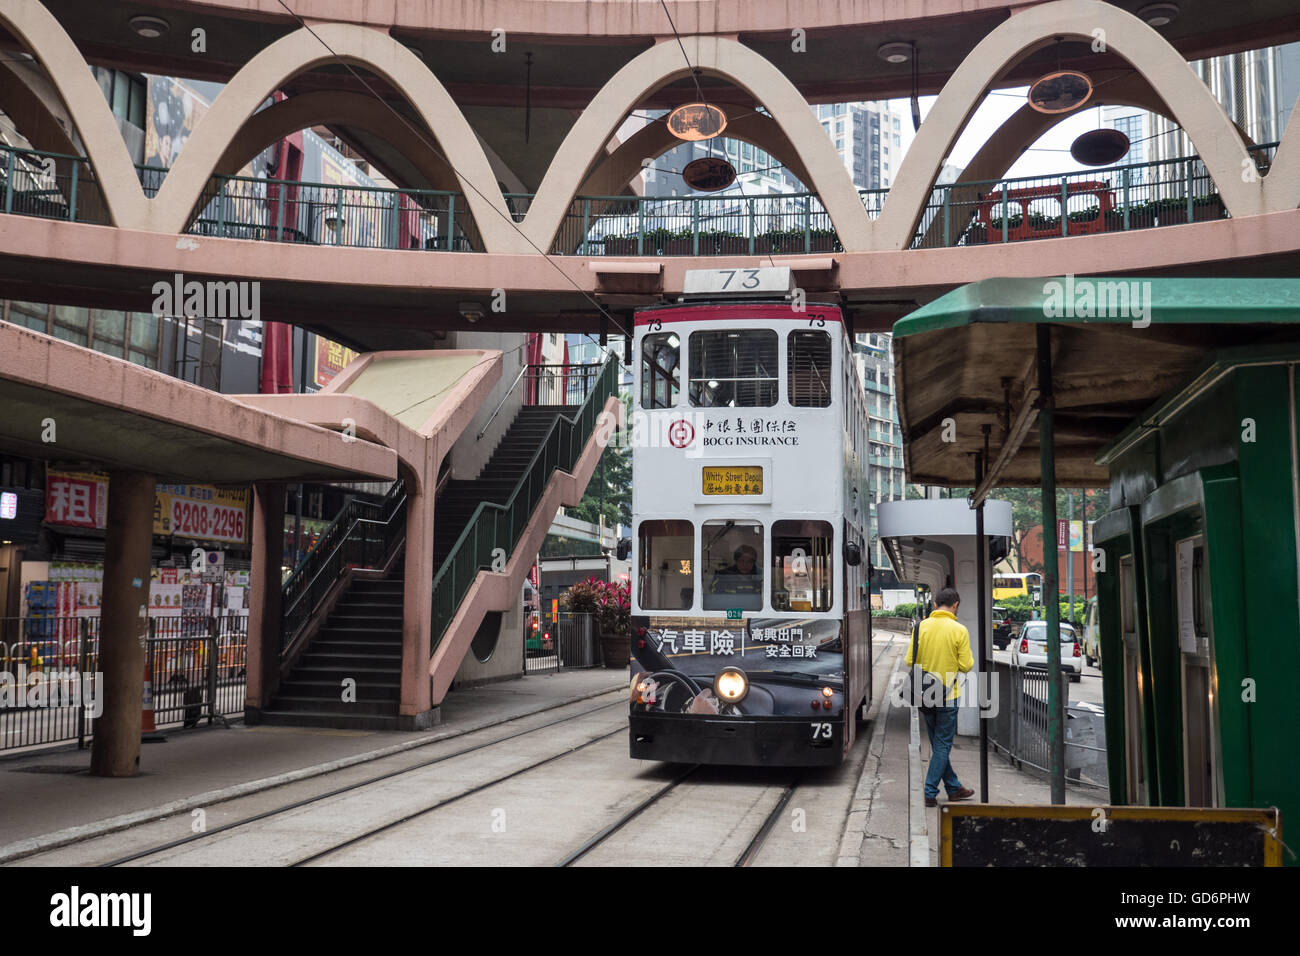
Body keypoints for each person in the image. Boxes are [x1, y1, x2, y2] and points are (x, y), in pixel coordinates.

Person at [905, 586, 976, 808]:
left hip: (924, 693)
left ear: (935, 605)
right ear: (955, 605)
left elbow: (910, 660)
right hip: (948, 695)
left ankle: (954, 788)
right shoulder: (959, 630)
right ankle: (929, 791)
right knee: (944, 744)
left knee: (938, 745)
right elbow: (966, 665)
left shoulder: (921, 627)